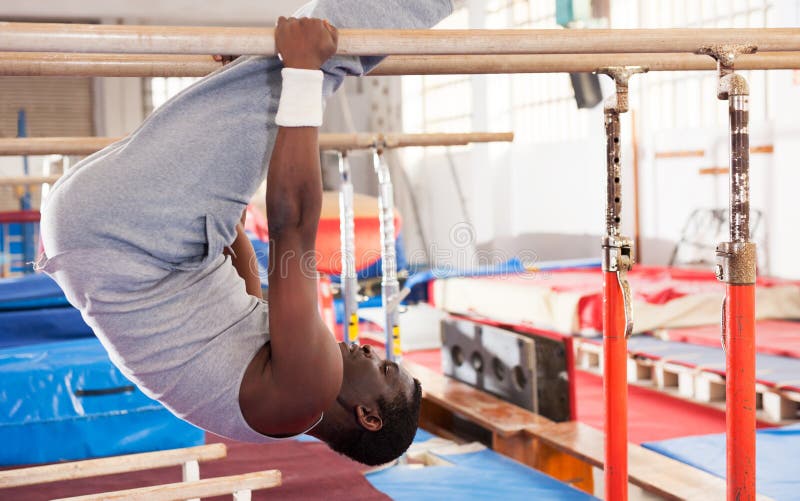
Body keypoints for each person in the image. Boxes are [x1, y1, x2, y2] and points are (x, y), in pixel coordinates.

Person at [38, 0, 453, 466]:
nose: (371, 350)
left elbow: (291, 225)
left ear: (368, 416)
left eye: (385, 369)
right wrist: (230, 128)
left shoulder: (311, 388)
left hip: (130, 235)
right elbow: (246, 288)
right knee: (269, 80)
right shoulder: (274, 416)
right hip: (98, 235)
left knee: (322, 57)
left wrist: (300, 74)